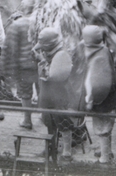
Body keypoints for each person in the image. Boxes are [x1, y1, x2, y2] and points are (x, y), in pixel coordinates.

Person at [34, 26, 82, 161]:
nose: (42, 49)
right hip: (48, 95)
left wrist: (42, 61)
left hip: (60, 95)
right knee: (49, 122)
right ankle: (51, 146)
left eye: (44, 46)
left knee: (63, 123)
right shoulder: (48, 54)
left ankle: (67, 151)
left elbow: (54, 75)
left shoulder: (62, 55)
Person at [83, 25, 116, 165]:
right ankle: (107, 151)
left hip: (101, 99)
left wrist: (90, 100)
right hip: (109, 97)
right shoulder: (103, 50)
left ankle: (104, 157)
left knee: (102, 128)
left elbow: (98, 83)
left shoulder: (97, 56)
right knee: (105, 126)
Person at [3, 0, 38, 130]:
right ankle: (44, 116)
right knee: (41, 90)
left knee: (25, 93)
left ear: (24, 7)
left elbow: (10, 46)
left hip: (24, 65)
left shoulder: (17, 24)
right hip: (39, 62)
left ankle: (27, 120)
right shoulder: (40, 21)